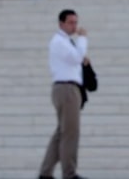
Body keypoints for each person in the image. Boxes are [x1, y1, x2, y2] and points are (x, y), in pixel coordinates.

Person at [38, 9, 88, 179]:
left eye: (76, 22)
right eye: (70, 22)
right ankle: (69, 173)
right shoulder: (59, 41)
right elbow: (76, 58)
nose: (74, 26)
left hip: (67, 89)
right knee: (70, 132)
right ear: (61, 24)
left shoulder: (66, 41)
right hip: (66, 89)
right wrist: (82, 38)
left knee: (62, 132)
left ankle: (45, 173)